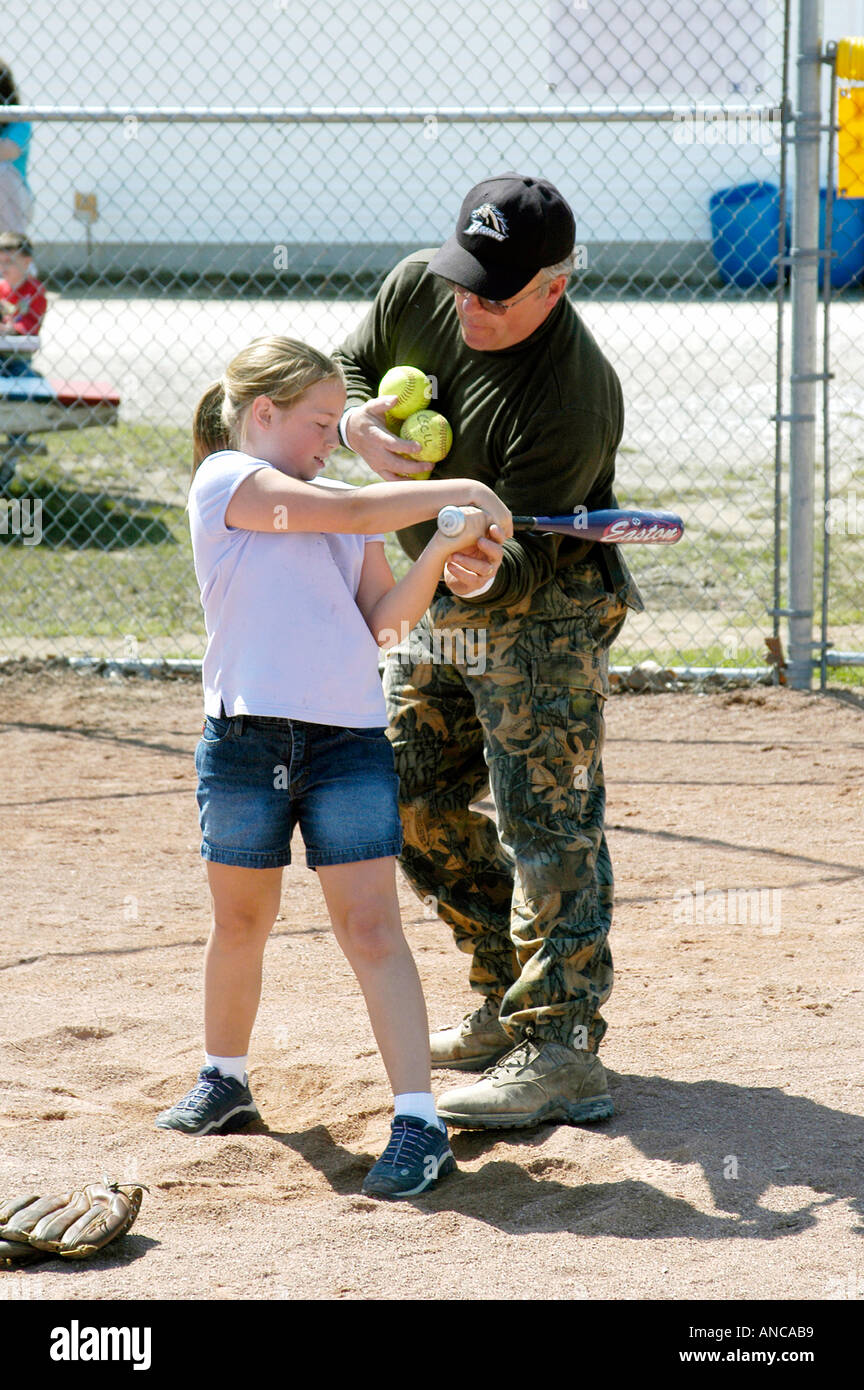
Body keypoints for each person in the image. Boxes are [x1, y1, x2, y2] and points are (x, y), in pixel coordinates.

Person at [157, 334, 512, 1198]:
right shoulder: (229, 482)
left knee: (370, 930)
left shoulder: (347, 506)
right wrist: (460, 493)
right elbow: (354, 513)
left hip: (345, 744)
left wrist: (436, 554)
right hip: (244, 742)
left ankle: (419, 1121)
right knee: (240, 922)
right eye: (320, 423)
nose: (332, 438)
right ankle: (225, 1077)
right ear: (263, 415)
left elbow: (382, 628)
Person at [334, 172, 645, 1131]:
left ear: (555, 285)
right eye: (465, 277)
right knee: (407, 799)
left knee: (546, 827)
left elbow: (521, 556)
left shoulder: (575, 396)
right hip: (438, 591)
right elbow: (351, 366)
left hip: (542, 611)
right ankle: (504, 995)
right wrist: (356, 424)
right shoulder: (424, 286)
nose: (468, 303)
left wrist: (483, 574)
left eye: (496, 293)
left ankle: (560, 1048)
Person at [0, 230, 47, 479]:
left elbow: (26, 331)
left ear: (27, 262)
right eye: (0, 261)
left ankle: (11, 456)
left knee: (28, 389)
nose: (3, 267)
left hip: (17, 360)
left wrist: (9, 329)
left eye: (10, 262)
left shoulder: (34, 292)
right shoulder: (0, 289)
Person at [0, 62, 33, 234]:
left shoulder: (19, 119)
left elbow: (8, 150)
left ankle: (12, 249)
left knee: (2, 171)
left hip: (12, 203)